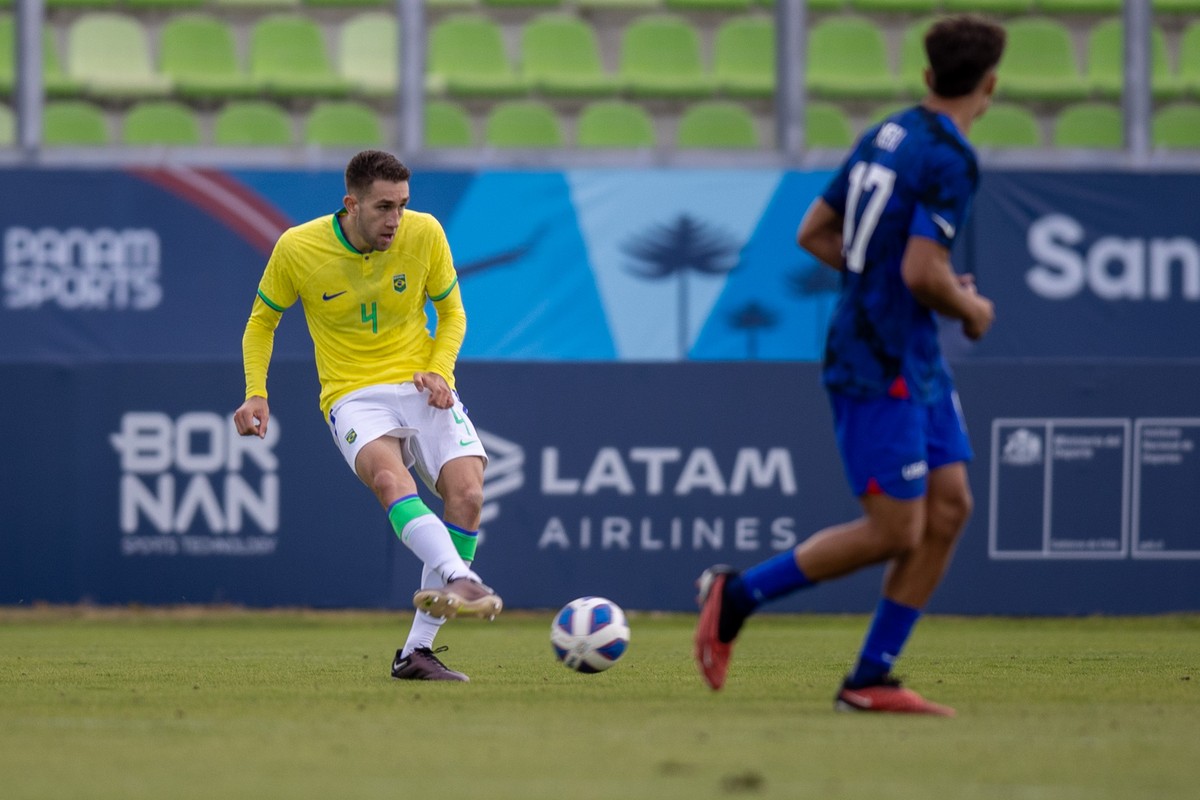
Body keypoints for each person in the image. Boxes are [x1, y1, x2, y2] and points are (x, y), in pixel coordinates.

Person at [694, 15, 1005, 716]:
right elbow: (926, 272)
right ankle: (737, 595)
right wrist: (969, 309)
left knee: (950, 508)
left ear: (929, 78)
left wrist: (885, 286)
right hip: (880, 355)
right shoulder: (950, 158)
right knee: (898, 529)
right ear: (989, 85)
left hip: (908, 350)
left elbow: (815, 233)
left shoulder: (887, 133)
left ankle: (871, 676)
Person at [233, 149, 502, 683]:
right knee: (388, 478)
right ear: (350, 204)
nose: (395, 220)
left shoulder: (425, 234)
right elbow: (262, 322)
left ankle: (415, 653)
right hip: (352, 393)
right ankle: (459, 575)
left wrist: (441, 372)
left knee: (468, 495)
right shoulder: (298, 248)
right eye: (383, 207)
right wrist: (255, 392)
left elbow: (452, 313)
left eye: (402, 205)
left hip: (421, 381)